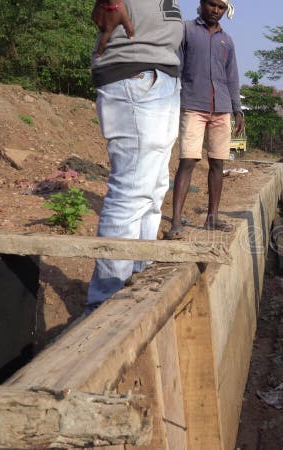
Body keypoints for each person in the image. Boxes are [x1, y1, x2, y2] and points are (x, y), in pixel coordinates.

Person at [85, 0, 183, 314]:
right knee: (132, 191)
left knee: (154, 190)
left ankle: (138, 280)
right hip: (135, 69)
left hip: (159, 71)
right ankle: (106, 304)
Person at [165, 0, 244, 238]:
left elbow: (231, 78)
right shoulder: (187, 30)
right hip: (192, 105)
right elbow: (176, 68)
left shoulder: (226, 40)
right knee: (188, 161)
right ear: (202, 4)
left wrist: (237, 109)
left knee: (218, 163)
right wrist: (169, 99)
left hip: (221, 109)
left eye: (221, 7)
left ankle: (213, 217)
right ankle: (176, 222)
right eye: (212, 5)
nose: (216, 10)